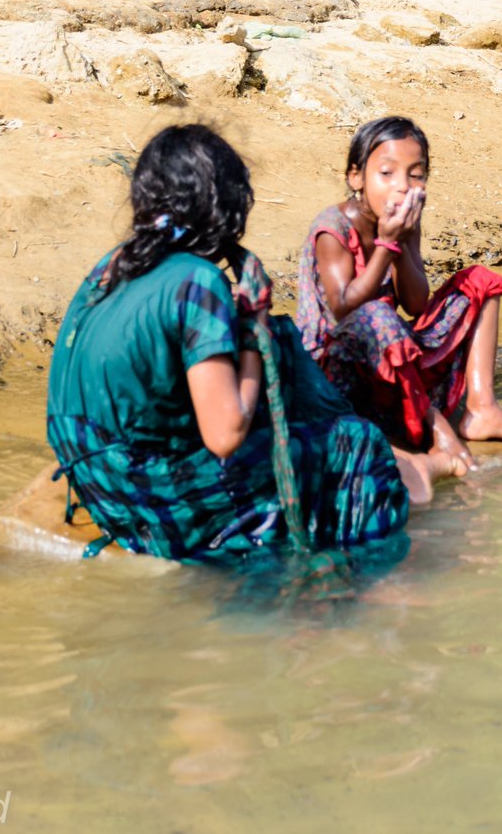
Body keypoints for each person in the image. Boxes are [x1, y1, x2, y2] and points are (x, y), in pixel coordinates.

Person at [46, 124, 460, 590]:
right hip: (150, 497)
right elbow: (224, 436)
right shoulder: (196, 282)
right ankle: (358, 589)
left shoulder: (111, 266)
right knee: (356, 443)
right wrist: (253, 332)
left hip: (96, 481)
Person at [295, 116, 502, 468]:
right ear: (356, 177)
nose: (402, 186)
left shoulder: (404, 221)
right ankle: (429, 422)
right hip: (335, 371)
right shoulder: (332, 229)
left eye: (416, 174)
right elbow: (344, 310)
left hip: (391, 353)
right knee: (377, 315)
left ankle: (482, 408)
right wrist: (385, 245)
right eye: (387, 173)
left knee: (479, 282)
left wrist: (400, 243)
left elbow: (415, 304)